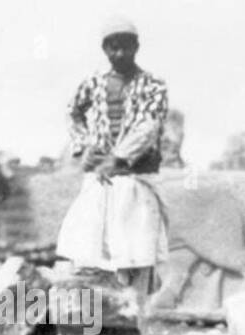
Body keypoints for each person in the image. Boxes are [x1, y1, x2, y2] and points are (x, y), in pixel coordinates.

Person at [56, 16, 169, 316]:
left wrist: (117, 158)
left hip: (134, 175)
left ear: (137, 47)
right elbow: (73, 112)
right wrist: (83, 147)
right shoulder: (93, 83)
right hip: (99, 178)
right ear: (105, 49)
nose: (120, 54)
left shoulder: (153, 85)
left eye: (126, 47)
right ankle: (95, 320)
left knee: (136, 248)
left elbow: (148, 127)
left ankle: (137, 318)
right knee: (92, 246)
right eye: (113, 48)